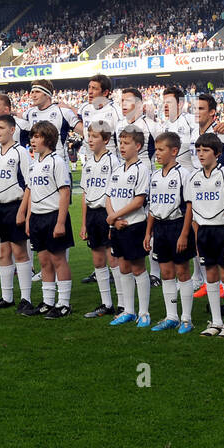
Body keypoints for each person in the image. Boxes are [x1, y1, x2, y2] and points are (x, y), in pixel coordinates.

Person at [19, 120, 75, 318]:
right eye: (32, 136)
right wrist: (28, 219)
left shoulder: (57, 162)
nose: (33, 140)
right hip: (37, 218)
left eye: (38, 137)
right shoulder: (34, 165)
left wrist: (60, 222)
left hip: (53, 217)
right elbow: (32, 192)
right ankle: (47, 302)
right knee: (44, 262)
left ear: (48, 139)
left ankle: (64, 303)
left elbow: (65, 193)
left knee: (58, 259)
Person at [143, 131, 195, 332]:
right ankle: (171, 316)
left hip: (178, 226)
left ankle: (186, 319)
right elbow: (152, 207)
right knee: (166, 272)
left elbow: (189, 206)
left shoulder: (184, 174)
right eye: (156, 149)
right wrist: (148, 233)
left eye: (161, 149)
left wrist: (184, 234)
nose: (157, 153)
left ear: (174, 151)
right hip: (160, 228)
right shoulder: (154, 175)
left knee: (182, 271)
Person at [191, 133, 224, 336]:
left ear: (218, 154)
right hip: (203, 231)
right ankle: (216, 322)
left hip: (222, 230)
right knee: (210, 275)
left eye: (206, 151)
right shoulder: (194, 178)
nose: (201, 154)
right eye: (198, 150)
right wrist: (196, 237)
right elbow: (193, 210)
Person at [0, 114, 34, 312]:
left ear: (12, 130)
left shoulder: (21, 152)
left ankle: (25, 298)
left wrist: (23, 210)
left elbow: (29, 183)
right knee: (1, 252)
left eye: (1, 128)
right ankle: (7, 297)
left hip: (15, 207)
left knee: (20, 251)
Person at [106, 126, 152, 327]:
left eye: (126, 143)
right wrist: (113, 220)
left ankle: (144, 312)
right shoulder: (116, 170)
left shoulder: (142, 169)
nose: (122, 147)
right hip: (117, 226)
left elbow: (138, 200)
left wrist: (115, 216)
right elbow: (108, 197)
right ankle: (128, 310)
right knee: (123, 267)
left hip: (134, 225)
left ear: (138, 146)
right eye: (120, 143)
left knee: (138, 268)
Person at [80, 125, 120, 319]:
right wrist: (83, 223)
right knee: (97, 260)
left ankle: (122, 304)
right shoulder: (87, 162)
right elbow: (85, 193)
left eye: (94, 136)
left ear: (105, 140)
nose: (90, 139)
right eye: (89, 136)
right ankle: (107, 303)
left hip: (107, 213)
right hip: (92, 215)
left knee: (113, 258)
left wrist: (113, 216)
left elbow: (116, 191)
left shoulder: (113, 161)